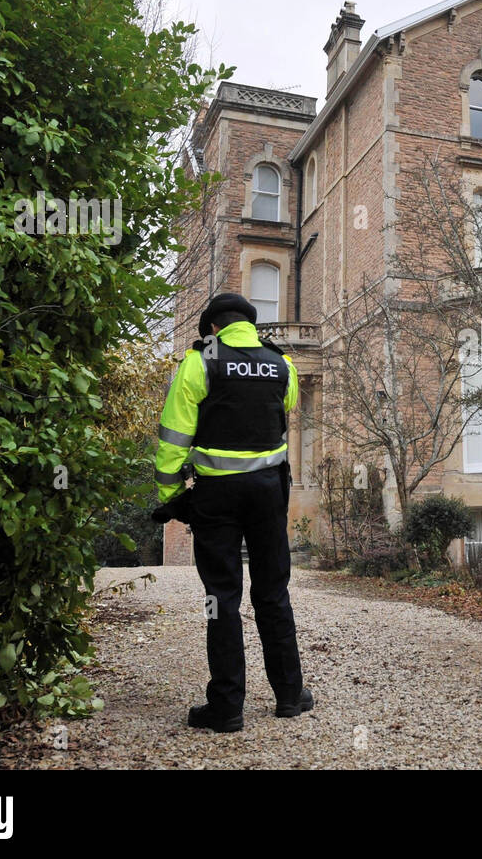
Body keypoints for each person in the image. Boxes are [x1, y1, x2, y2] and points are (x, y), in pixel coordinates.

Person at [154, 292, 313, 732]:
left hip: (216, 495)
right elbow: (284, 411)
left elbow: (173, 437)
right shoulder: (281, 364)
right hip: (268, 492)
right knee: (272, 591)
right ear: (249, 324)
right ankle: (288, 695)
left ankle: (226, 706)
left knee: (220, 597)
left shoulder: (199, 362)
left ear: (212, 328)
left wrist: (170, 495)